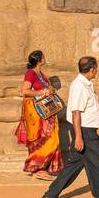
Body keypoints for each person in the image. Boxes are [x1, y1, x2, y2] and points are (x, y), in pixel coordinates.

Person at [40, 56, 99, 198]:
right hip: (85, 133)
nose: (96, 71)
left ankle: (50, 196)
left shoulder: (85, 84)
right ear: (91, 69)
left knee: (72, 167)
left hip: (85, 132)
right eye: (96, 68)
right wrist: (79, 138)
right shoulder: (79, 86)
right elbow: (76, 113)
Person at [15, 49, 63, 177]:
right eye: (43, 56)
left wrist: (50, 89)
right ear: (39, 60)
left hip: (47, 111)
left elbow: (44, 88)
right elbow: (25, 91)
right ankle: (38, 168)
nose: (45, 58)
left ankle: (46, 166)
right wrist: (42, 92)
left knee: (53, 138)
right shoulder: (30, 73)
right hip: (37, 113)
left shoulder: (40, 73)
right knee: (42, 138)